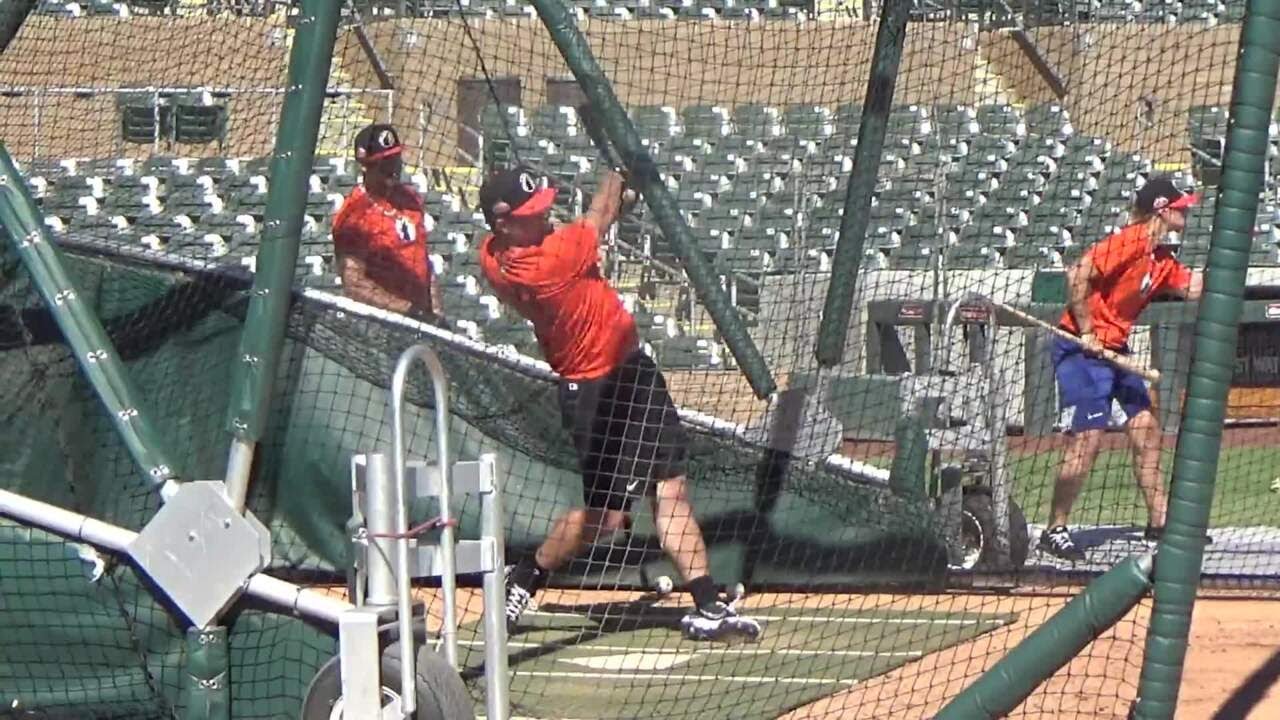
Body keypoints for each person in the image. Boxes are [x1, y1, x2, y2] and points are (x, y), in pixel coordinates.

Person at [476, 164, 761, 642]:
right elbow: (602, 210)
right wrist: (617, 167)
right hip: (595, 393)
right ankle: (526, 575)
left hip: (634, 372)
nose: (543, 218)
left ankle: (708, 603)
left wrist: (612, 213)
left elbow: (597, 223)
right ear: (503, 224)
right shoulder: (549, 262)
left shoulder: (493, 252)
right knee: (607, 519)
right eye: (530, 216)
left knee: (670, 488)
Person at [1037, 177, 1204, 561]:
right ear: (1162, 210)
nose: (1186, 212)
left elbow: (1194, 287)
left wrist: (1230, 274)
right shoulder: (1128, 242)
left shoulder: (1161, 259)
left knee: (1146, 430)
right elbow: (1077, 274)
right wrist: (1088, 330)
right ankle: (1055, 529)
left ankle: (1160, 525)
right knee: (1087, 438)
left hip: (1115, 350)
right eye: (1181, 207)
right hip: (1080, 348)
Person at [332, 123, 443, 321]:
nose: (393, 168)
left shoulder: (410, 199)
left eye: (395, 159)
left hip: (420, 317)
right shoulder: (353, 215)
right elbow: (354, 284)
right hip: (379, 322)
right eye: (384, 163)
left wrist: (436, 312)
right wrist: (408, 310)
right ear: (365, 166)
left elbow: (423, 261)